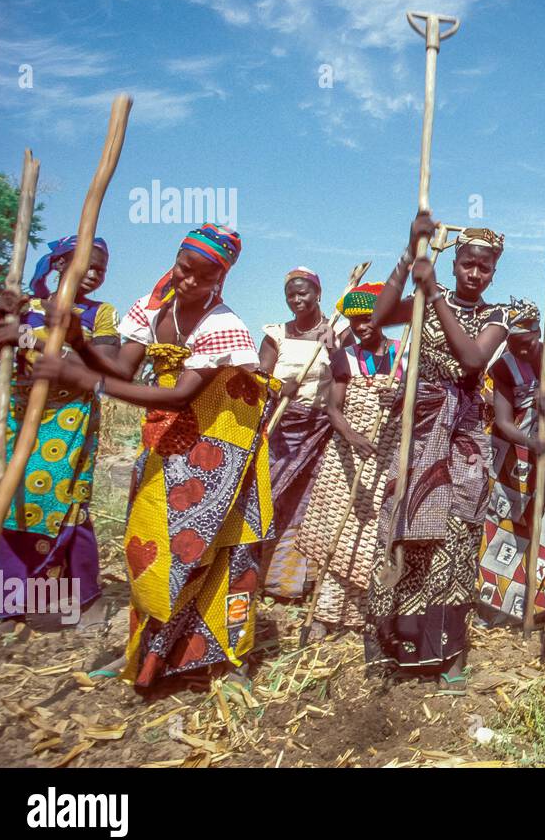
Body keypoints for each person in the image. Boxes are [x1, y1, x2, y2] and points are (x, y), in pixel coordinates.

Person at [33, 226, 274, 688]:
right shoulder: (152, 304)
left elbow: (180, 396)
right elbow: (124, 367)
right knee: (151, 547)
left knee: (220, 550)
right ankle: (146, 653)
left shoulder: (223, 325)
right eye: (184, 267)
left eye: (202, 277)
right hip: (169, 443)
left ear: (219, 280)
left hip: (222, 448)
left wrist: (81, 378)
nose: (186, 281)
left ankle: (224, 658)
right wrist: (80, 345)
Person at [364, 215, 508, 690]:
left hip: (460, 445)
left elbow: (470, 359)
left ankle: (447, 657)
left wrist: (438, 297)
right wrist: (409, 255)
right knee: (403, 530)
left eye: (483, 269)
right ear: (456, 263)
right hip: (416, 435)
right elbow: (379, 317)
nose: (474, 274)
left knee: (453, 544)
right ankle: (393, 647)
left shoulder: (496, 317)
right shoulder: (424, 300)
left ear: (492, 273)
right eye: (466, 264)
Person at [0, 237, 115, 632]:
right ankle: (3, 606)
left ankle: (86, 602)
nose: (93, 273)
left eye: (101, 269)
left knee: (59, 503)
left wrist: (32, 340)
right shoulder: (27, 308)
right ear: (59, 264)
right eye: (86, 264)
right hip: (21, 418)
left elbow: (104, 366)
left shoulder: (101, 314)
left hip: (70, 420)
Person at [292, 282, 401, 640]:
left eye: (368, 318)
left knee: (373, 538)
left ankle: (367, 615)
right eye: (355, 321)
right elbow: (332, 409)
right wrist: (353, 438)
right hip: (346, 462)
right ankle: (324, 614)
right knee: (336, 537)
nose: (362, 326)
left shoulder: (402, 355)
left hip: (388, 456)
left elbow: (413, 405)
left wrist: (397, 399)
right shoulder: (344, 358)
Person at [479, 297, 545, 624]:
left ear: (539, 333)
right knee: (508, 529)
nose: (521, 350)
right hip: (513, 455)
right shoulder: (502, 367)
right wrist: (530, 442)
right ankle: (505, 609)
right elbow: (504, 421)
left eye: (527, 343)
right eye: (514, 343)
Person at [257, 267, 335, 599]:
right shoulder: (275, 334)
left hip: (320, 428)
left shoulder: (336, 330)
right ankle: (263, 578)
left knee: (311, 503)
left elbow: (348, 372)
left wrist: (335, 345)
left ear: (318, 294)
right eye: (291, 294)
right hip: (282, 428)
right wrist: (278, 387)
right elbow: (260, 376)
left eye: (303, 293)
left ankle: (297, 585)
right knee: (271, 496)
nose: (297, 299)